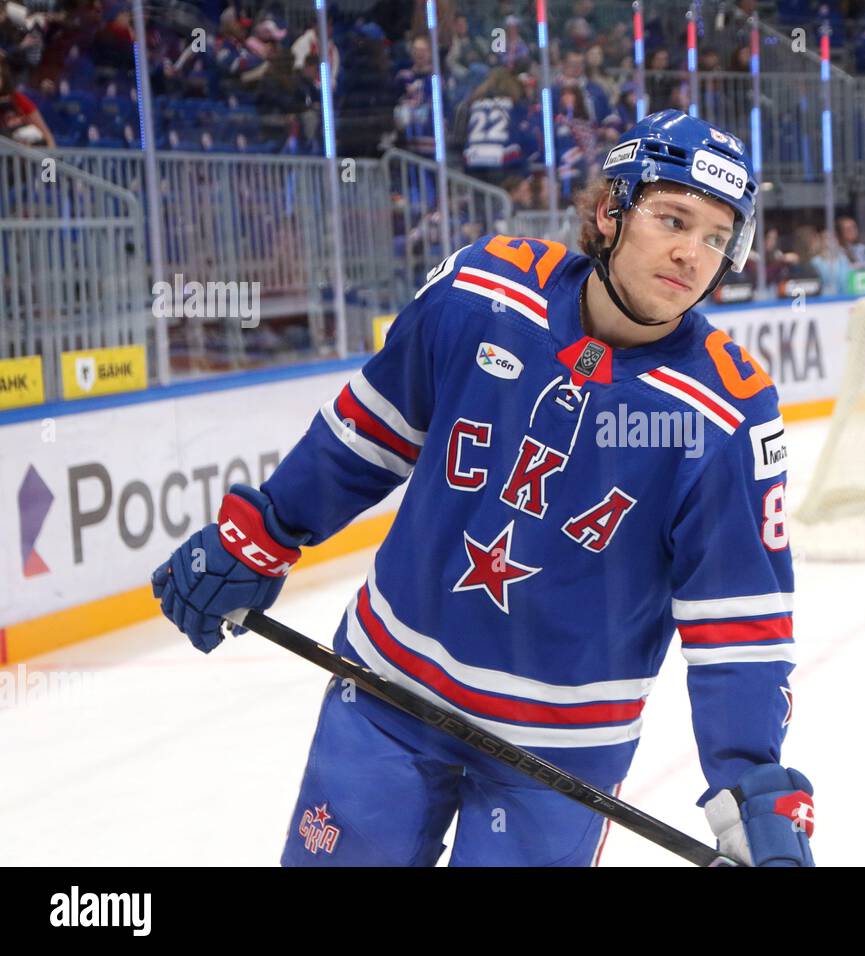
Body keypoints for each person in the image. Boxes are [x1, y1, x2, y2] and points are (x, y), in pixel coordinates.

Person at [150, 109, 814, 869]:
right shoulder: (483, 290)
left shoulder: (726, 410)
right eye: (673, 219)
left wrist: (752, 781)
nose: (693, 254)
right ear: (609, 211)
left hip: (559, 757)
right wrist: (263, 533)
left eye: (717, 238)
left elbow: (737, 620)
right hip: (387, 692)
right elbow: (368, 433)